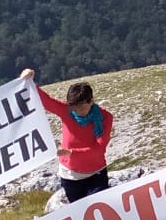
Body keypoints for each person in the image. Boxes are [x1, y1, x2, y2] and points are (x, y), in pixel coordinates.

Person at [24, 68, 112, 203]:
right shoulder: (68, 111)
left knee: (99, 208)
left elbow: (99, 150)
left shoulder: (105, 117)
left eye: (81, 107)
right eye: (74, 108)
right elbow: (46, 101)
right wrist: (28, 80)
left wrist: (71, 152)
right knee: (81, 216)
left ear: (91, 101)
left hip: (96, 174)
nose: (77, 111)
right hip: (70, 176)